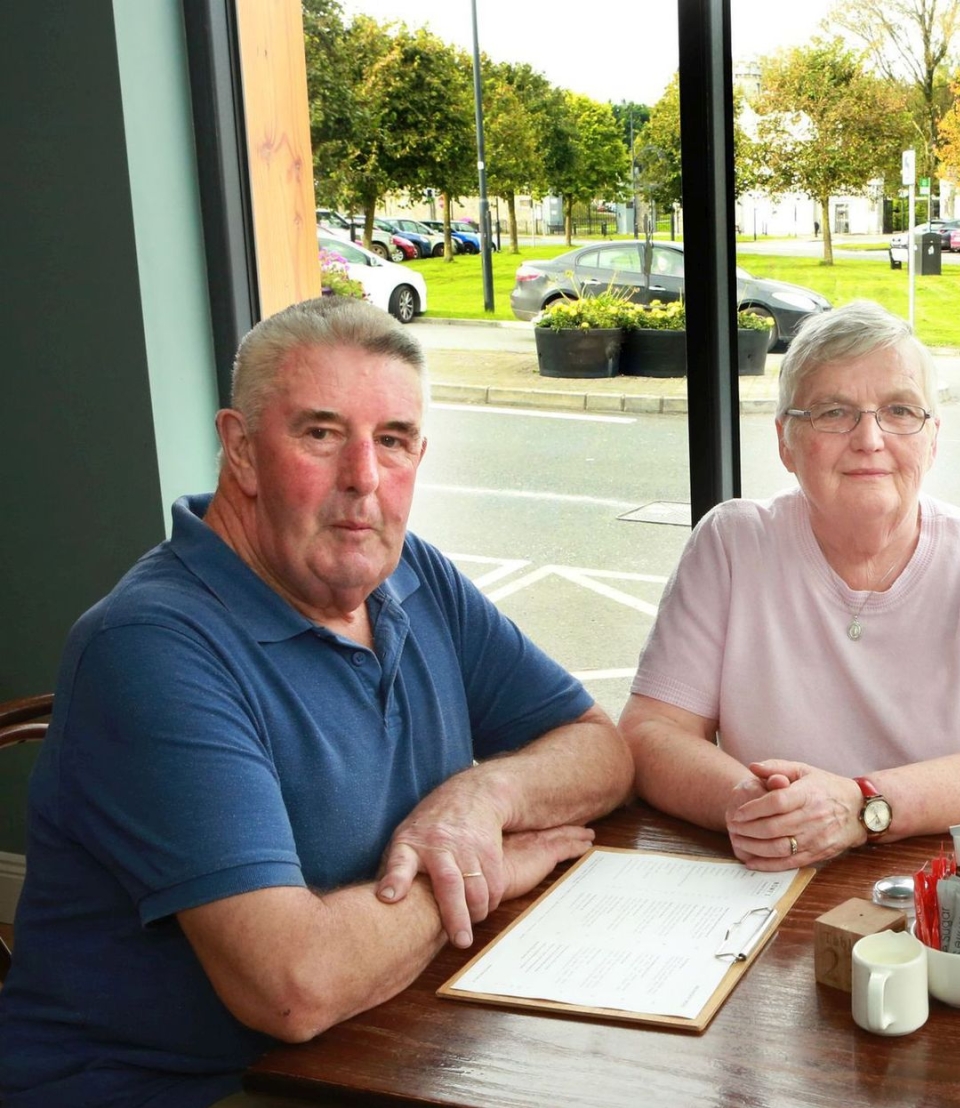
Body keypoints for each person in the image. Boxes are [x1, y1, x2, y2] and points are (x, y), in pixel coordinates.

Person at [0, 297, 634, 1108]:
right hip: (177, 1087)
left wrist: (481, 797)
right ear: (241, 451)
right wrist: (481, 871)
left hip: (387, 1045)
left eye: (393, 442)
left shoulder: (413, 575)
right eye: (321, 434)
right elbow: (292, 988)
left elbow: (598, 746)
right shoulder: (149, 648)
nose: (363, 480)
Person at [621, 299, 960, 871]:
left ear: (933, 439)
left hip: (935, 884)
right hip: (763, 876)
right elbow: (651, 731)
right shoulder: (733, 543)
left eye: (900, 410)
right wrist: (759, 809)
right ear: (785, 441)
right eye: (833, 412)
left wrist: (861, 807)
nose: (870, 439)